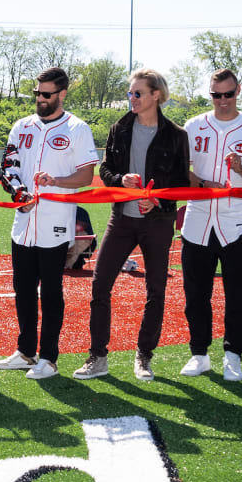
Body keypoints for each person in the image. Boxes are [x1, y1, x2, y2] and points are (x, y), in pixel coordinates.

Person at [70, 68, 190, 382]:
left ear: (156, 95)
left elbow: (179, 182)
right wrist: (120, 179)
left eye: (138, 93)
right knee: (99, 286)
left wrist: (159, 201)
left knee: (156, 291)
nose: (132, 98)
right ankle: (98, 357)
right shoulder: (119, 129)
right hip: (121, 219)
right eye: (130, 93)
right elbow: (106, 169)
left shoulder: (177, 136)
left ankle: (144, 356)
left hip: (158, 222)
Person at [0, 67, 100, 380]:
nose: (40, 98)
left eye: (46, 94)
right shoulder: (21, 126)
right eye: (37, 93)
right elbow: (8, 169)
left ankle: (49, 359)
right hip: (23, 223)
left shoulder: (77, 128)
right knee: (23, 289)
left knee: (51, 292)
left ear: (62, 94)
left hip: (55, 223)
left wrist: (55, 181)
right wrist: (18, 191)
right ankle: (25, 352)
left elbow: (85, 176)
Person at [177, 69, 242, 383]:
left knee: (236, 292)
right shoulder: (194, 126)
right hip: (198, 219)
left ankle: (233, 355)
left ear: (238, 91)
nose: (222, 101)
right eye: (215, 95)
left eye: (227, 94)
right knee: (195, 292)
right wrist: (205, 183)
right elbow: (179, 171)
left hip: (236, 221)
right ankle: (199, 354)